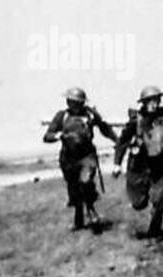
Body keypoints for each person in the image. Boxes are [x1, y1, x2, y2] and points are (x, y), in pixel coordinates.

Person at [113, 85, 163, 239]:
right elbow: (122, 141)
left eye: (156, 100)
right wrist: (117, 164)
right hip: (139, 165)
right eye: (149, 101)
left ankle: (154, 230)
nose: (154, 104)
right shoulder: (136, 121)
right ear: (144, 103)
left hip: (159, 165)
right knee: (138, 203)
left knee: (159, 200)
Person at [43, 87, 118, 231]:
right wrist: (56, 136)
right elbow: (47, 136)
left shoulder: (90, 114)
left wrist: (117, 141)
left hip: (87, 156)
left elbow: (105, 128)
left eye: (78, 102)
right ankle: (79, 220)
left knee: (86, 181)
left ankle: (91, 209)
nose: (74, 105)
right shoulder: (61, 116)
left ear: (82, 103)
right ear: (68, 102)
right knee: (74, 190)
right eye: (71, 102)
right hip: (68, 159)